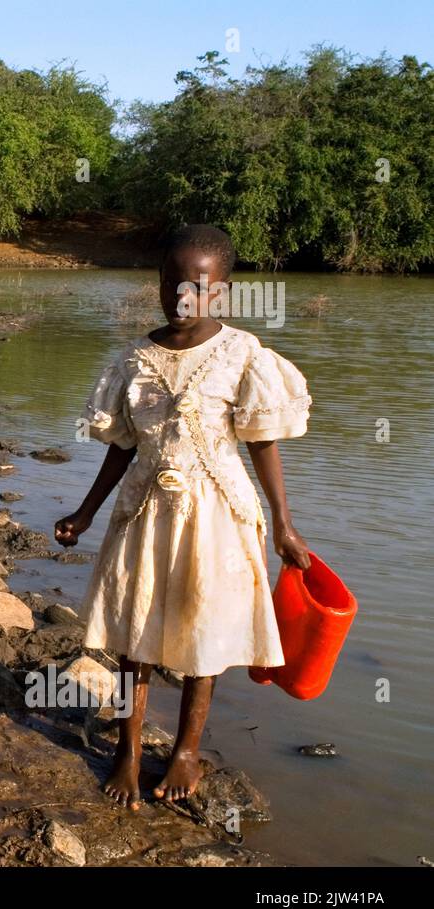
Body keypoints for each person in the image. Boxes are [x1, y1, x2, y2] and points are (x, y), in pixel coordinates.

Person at [54, 224, 313, 810]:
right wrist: (85, 512)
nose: (182, 297)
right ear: (159, 282)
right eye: (172, 283)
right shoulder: (132, 361)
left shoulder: (242, 355)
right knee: (134, 633)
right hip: (144, 512)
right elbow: (121, 447)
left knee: (206, 628)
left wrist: (284, 525)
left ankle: (186, 751)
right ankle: (125, 750)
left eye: (198, 287)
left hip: (218, 515)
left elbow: (261, 442)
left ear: (221, 292)